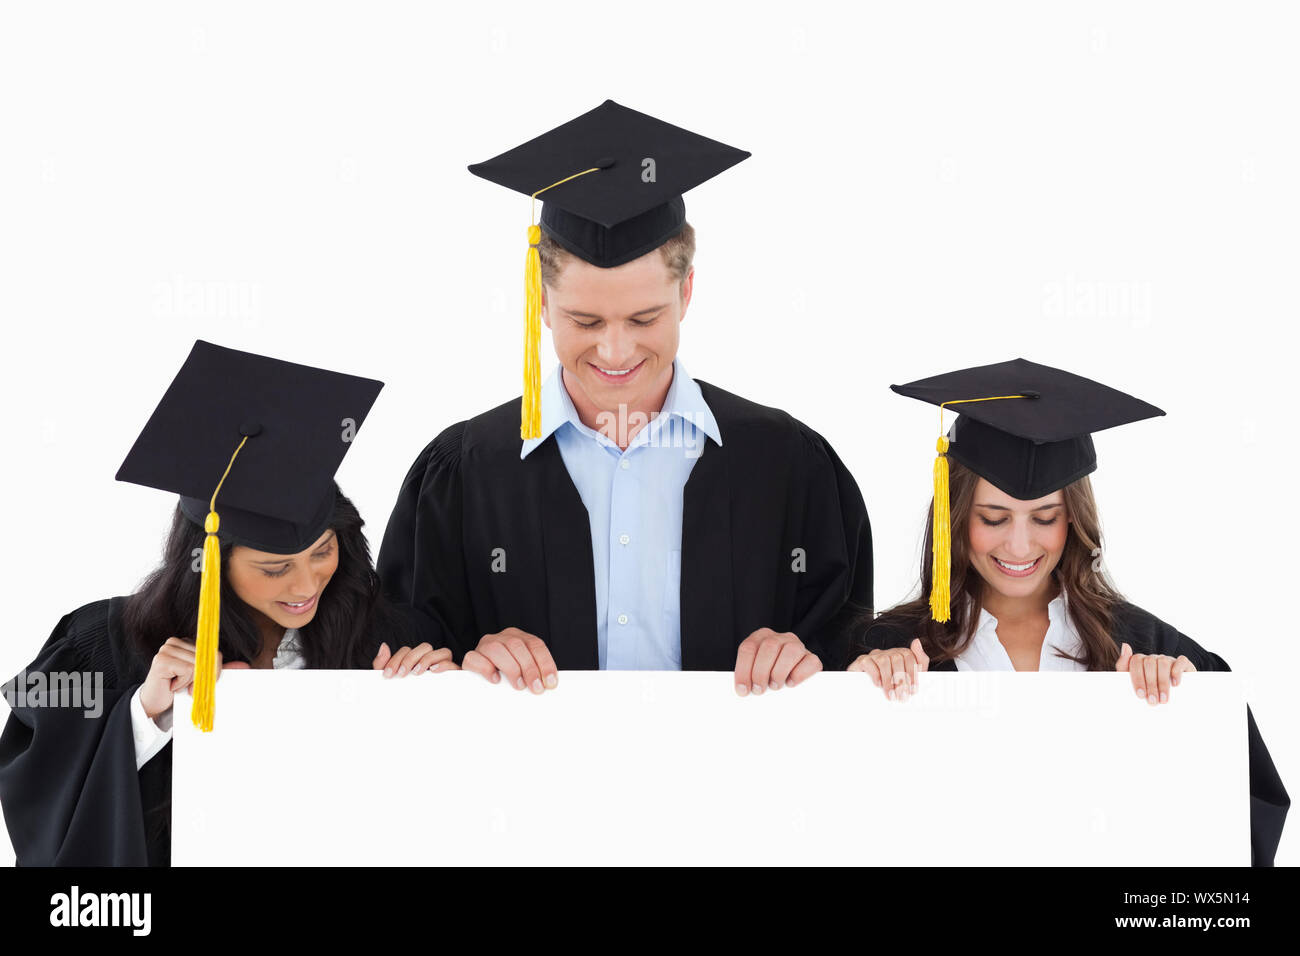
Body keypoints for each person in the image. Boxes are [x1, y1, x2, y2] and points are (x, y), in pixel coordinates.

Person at [378, 100, 872, 695]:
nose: (615, 352)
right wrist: (466, 663)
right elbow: (401, 662)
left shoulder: (786, 463)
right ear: (541, 299)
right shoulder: (463, 473)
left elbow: (849, 654)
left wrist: (802, 657)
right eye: (585, 321)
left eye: (644, 317)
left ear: (687, 291)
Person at [0, 341, 452, 866]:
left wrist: (439, 706)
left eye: (323, 551)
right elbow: (32, 783)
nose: (307, 583)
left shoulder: (390, 638)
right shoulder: (101, 640)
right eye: (275, 568)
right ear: (209, 564)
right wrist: (144, 718)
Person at [848, 357, 1289, 866]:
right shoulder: (894, 649)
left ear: (1073, 519)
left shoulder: (1145, 645)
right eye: (993, 518)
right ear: (956, 516)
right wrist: (852, 702)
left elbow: (1238, 813)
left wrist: (1182, 720)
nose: (1019, 544)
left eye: (1044, 517)